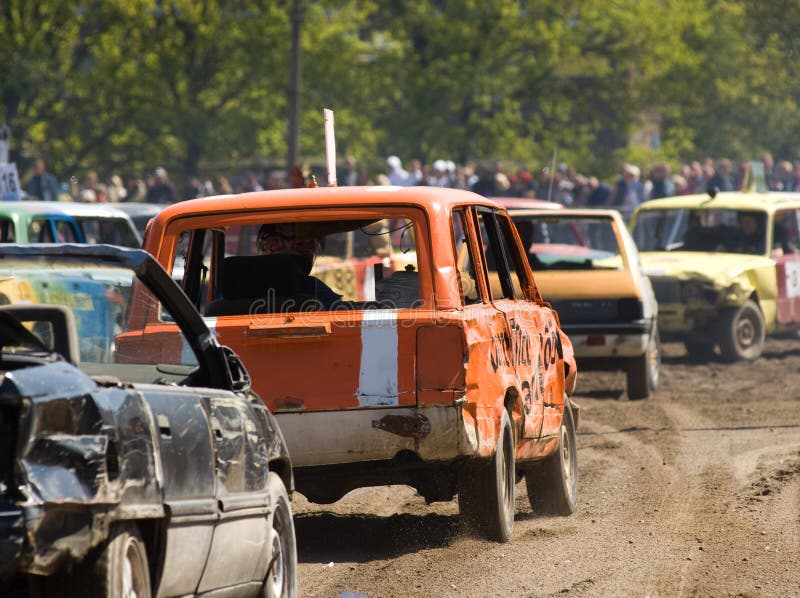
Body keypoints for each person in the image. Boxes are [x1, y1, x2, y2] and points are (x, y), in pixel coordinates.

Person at [256, 223, 340, 309]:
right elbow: (340, 312)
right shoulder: (314, 288)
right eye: (303, 244)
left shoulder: (249, 287)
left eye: (306, 244)